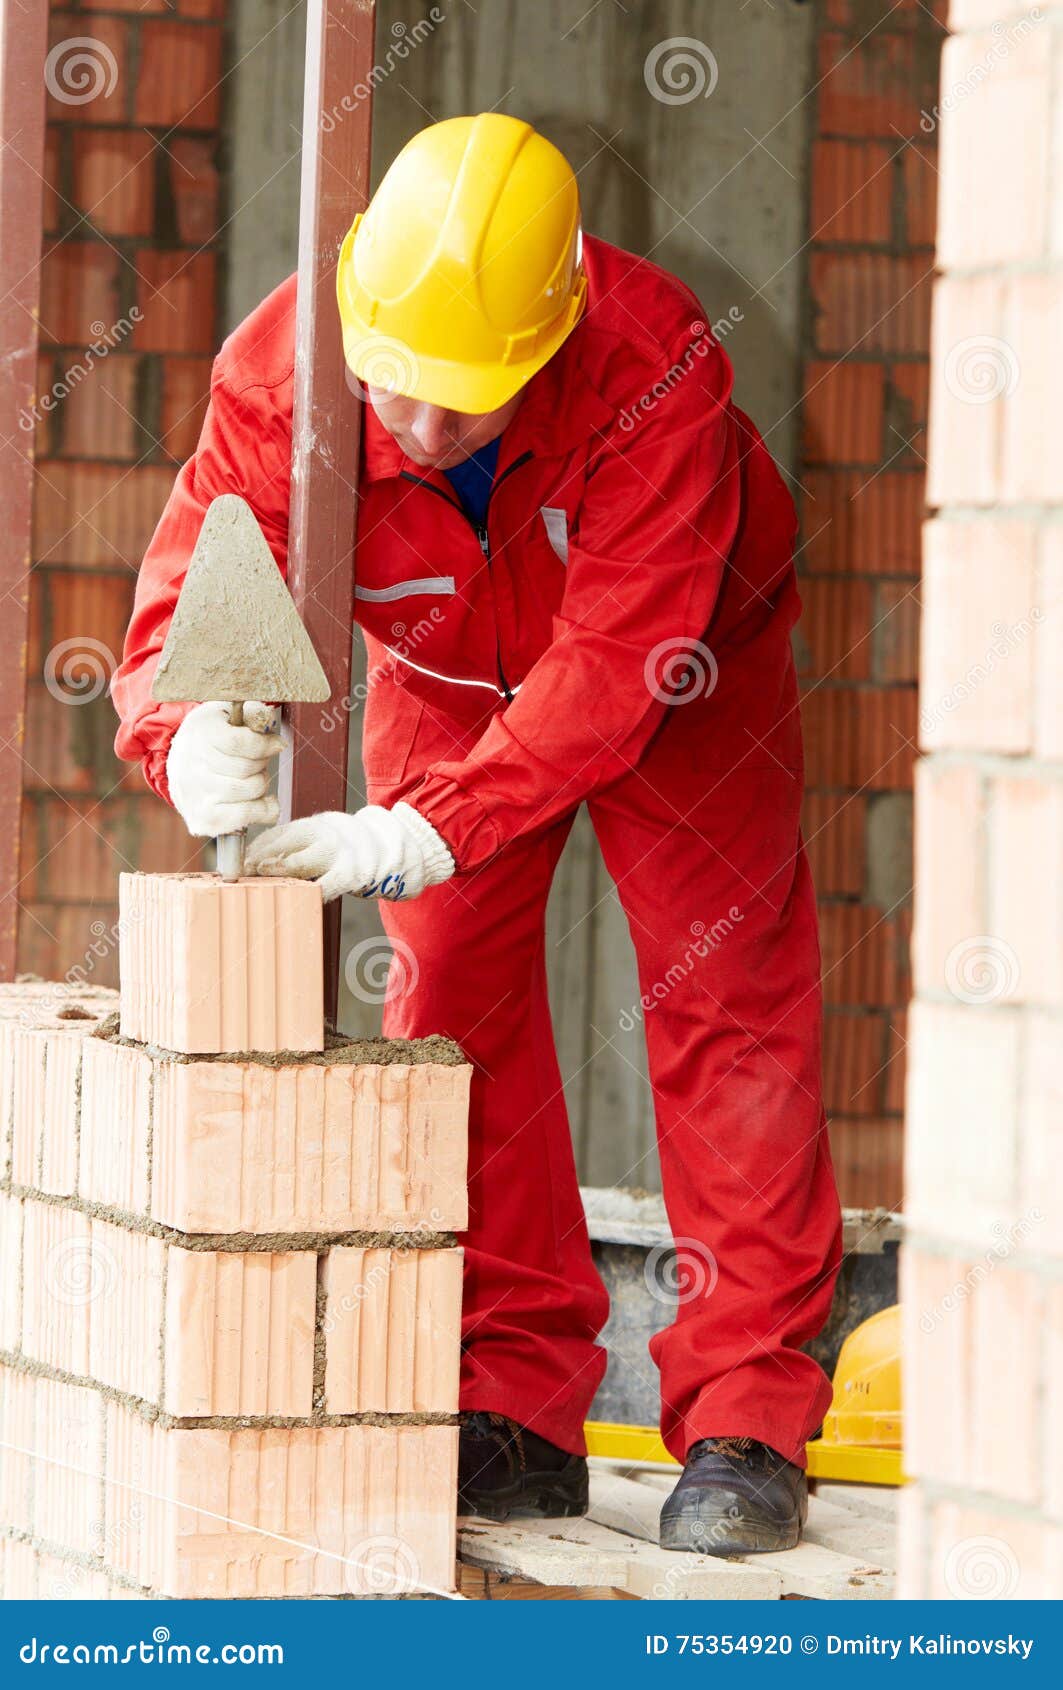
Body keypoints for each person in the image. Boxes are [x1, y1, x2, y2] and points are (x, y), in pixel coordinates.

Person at [113, 112, 842, 1555]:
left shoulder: (656, 368)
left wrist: (428, 826)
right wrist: (183, 731)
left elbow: (618, 661)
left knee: (723, 997)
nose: (423, 431)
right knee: (449, 1003)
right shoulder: (283, 369)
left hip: (688, 667)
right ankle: (515, 1403)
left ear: (555, 337)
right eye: (398, 390)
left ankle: (748, 1415)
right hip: (447, 685)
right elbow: (190, 596)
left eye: (470, 401)